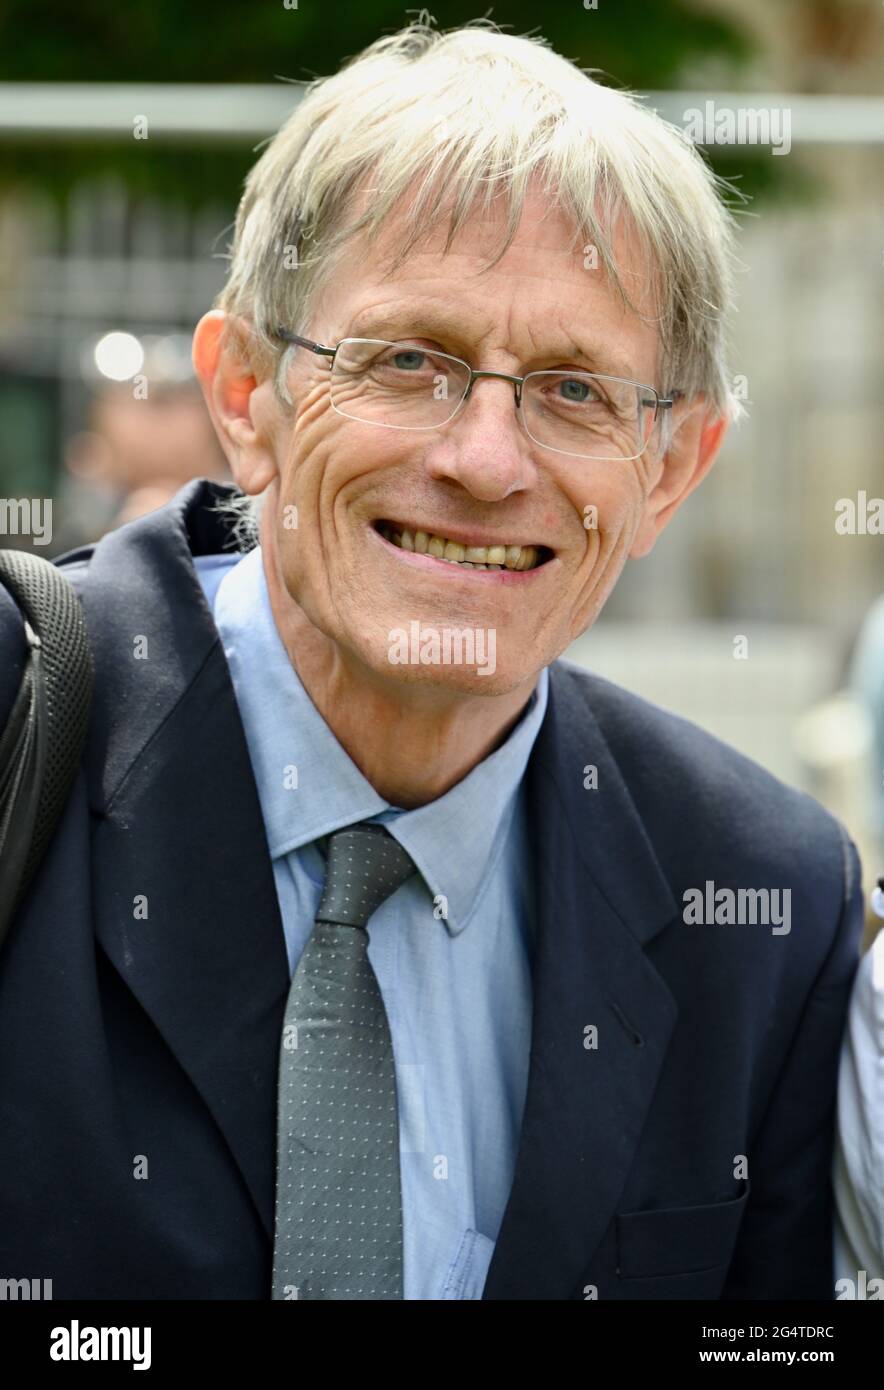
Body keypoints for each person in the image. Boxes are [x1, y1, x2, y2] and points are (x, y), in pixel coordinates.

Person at [0, 17, 864, 1300]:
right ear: (246, 400)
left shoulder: (760, 905)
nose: (485, 459)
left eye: (575, 390)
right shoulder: (20, 718)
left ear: (669, 471)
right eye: (409, 360)